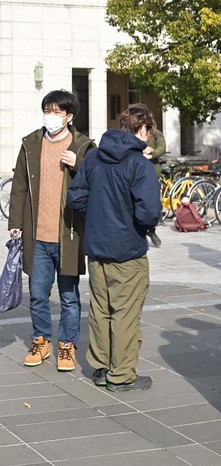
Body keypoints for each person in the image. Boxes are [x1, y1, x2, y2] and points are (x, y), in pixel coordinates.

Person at [67, 105, 162, 392]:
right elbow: (148, 212)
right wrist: (135, 223)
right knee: (125, 314)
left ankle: (101, 367)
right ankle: (121, 375)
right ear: (143, 129)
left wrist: (98, 214)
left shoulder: (95, 156)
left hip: (97, 247)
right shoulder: (139, 163)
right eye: (150, 132)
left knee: (100, 309)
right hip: (127, 250)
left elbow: (75, 197)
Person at [8, 89, 95, 372]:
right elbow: (19, 186)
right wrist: (15, 223)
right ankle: (41, 341)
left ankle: (67, 345)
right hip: (37, 234)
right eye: (48, 110)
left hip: (68, 234)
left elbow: (98, 182)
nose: (51, 116)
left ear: (69, 116)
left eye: (57, 112)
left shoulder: (83, 146)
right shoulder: (31, 143)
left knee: (69, 297)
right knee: (37, 293)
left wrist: (79, 165)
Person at [143, 125, 166, 247]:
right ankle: (141, 233)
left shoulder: (155, 133)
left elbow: (162, 147)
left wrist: (152, 154)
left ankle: (152, 231)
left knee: (153, 205)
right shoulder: (132, 131)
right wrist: (142, 150)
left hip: (152, 172)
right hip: (136, 173)